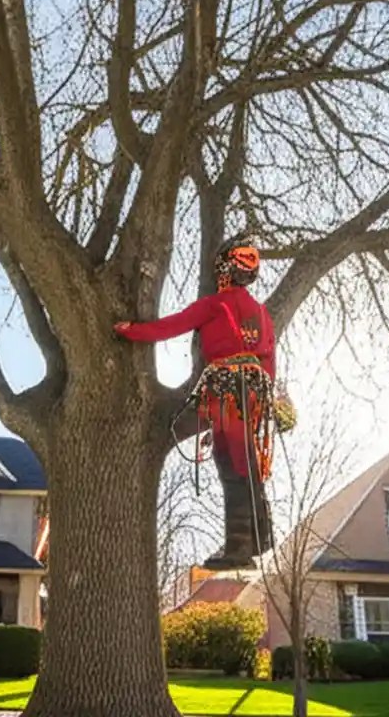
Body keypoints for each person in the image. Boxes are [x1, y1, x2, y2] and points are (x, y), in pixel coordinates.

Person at [114, 234, 279, 569]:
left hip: (226, 389)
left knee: (228, 462)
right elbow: (270, 363)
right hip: (253, 392)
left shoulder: (215, 305)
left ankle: (239, 548)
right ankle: (261, 535)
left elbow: (171, 326)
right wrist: (260, 407)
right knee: (244, 460)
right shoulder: (262, 313)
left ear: (223, 269)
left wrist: (131, 330)